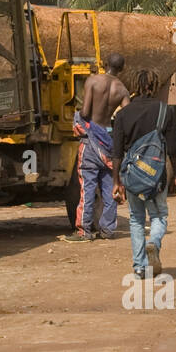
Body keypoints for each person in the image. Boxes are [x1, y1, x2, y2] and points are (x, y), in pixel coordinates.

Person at [112, 69, 176, 278]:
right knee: (159, 215)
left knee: (136, 219)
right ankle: (154, 242)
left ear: (135, 86)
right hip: (156, 176)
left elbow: (116, 152)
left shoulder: (123, 114)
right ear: (155, 86)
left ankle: (140, 267)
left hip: (132, 176)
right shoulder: (164, 111)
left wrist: (116, 181)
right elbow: (173, 149)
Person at [68, 52, 129, 241]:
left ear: (104, 64)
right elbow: (125, 118)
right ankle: (108, 230)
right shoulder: (122, 90)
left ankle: (84, 231)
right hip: (109, 143)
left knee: (87, 187)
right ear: (122, 69)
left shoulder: (93, 81)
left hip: (91, 143)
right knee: (109, 188)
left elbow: (85, 112)